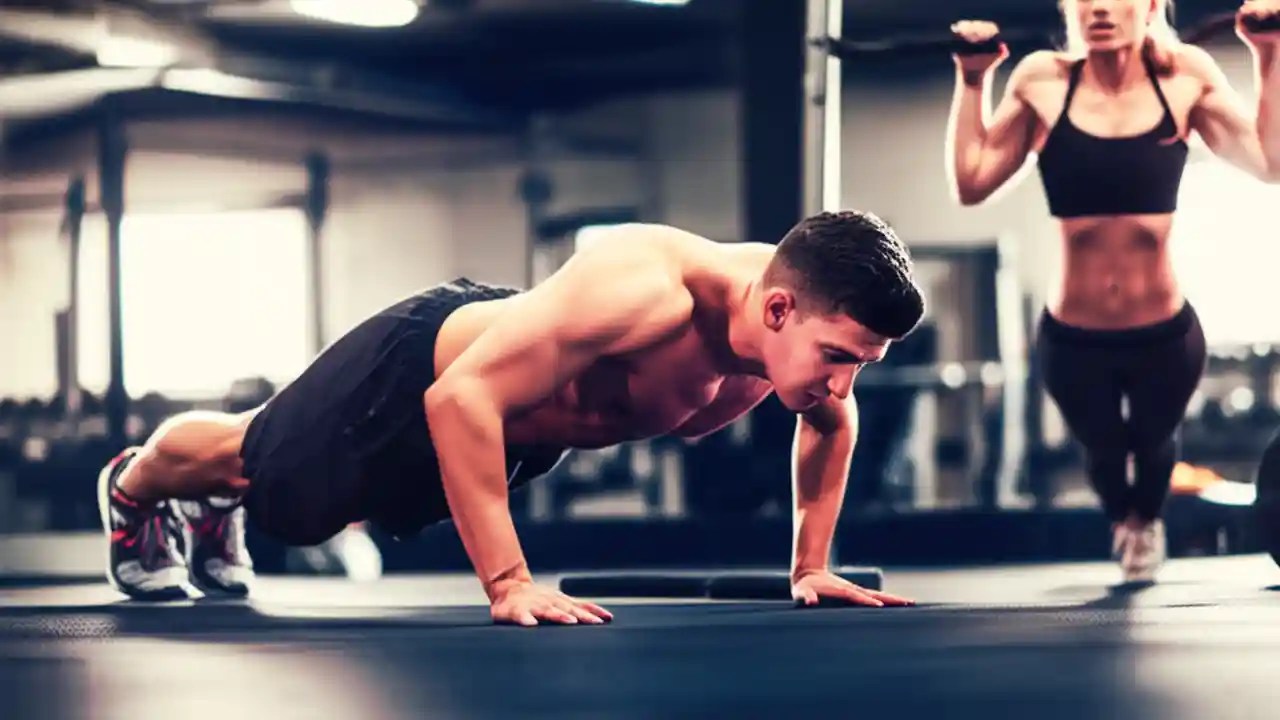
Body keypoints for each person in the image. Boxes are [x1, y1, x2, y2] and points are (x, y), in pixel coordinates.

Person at [97, 210, 926, 624]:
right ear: (777, 311)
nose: (844, 386)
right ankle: (135, 489)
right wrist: (509, 583)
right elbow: (459, 398)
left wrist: (810, 566)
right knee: (256, 461)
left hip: (519, 430)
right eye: (839, 359)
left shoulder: (791, 336)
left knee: (318, 514)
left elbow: (829, 427)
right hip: (428, 367)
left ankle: (211, 517)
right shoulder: (646, 290)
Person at [946, 0, 1280, 582]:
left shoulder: (1185, 76)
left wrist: (1269, 54)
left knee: (1154, 446)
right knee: (1102, 453)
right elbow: (972, 183)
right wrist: (973, 81)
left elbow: (1270, 163)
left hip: (1165, 331)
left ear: (1150, 5)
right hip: (1073, 335)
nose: (1098, 7)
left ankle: (1145, 524)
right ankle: (1125, 522)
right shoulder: (1044, 80)